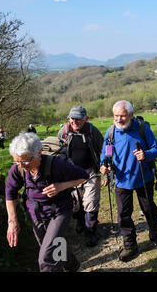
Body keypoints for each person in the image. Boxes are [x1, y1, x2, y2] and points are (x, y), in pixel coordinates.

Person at [5, 132, 89, 272]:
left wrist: (61, 186)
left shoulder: (56, 164)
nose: (21, 165)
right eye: (17, 161)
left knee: (46, 258)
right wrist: (12, 220)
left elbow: (83, 176)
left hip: (59, 211)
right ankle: (72, 265)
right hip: (35, 213)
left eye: (25, 161)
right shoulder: (19, 168)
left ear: (38, 153)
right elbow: (10, 192)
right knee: (53, 245)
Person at [100, 100, 157, 262]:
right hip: (121, 180)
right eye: (116, 116)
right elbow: (107, 153)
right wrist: (104, 166)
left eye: (123, 116)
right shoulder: (111, 132)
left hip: (143, 177)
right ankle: (130, 246)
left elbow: (156, 149)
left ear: (131, 115)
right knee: (123, 216)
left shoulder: (142, 128)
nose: (119, 119)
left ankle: (153, 226)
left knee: (148, 208)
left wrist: (145, 155)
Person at [58, 106, 104, 247]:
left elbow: (103, 149)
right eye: (72, 118)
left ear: (86, 119)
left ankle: (91, 231)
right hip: (71, 173)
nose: (75, 121)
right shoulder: (64, 132)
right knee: (75, 202)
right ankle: (79, 221)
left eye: (78, 119)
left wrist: (105, 166)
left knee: (90, 201)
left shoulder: (92, 131)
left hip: (91, 172)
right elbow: (57, 150)